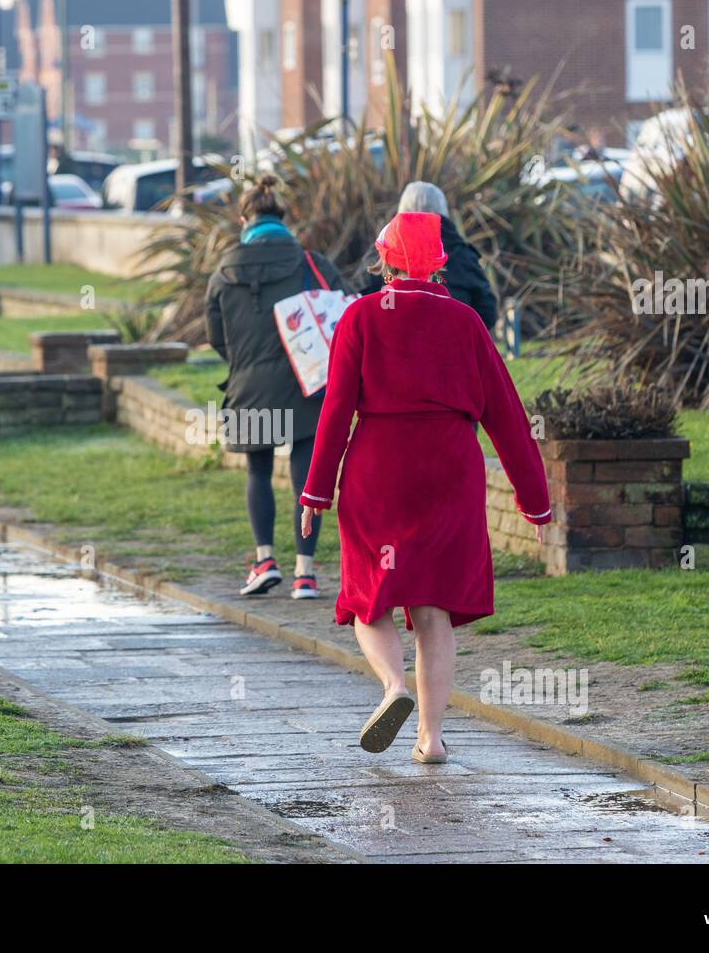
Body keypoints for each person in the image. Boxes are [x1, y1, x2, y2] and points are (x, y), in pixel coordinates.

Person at [297, 212, 551, 763]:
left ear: (383, 261)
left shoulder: (361, 316)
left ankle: (394, 686)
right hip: (450, 472)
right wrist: (535, 502)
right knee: (433, 608)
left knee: (367, 598)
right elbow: (508, 417)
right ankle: (431, 739)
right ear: (440, 263)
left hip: (378, 470)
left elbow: (336, 410)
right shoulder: (466, 321)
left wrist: (315, 491)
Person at [205, 174, 348, 600]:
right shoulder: (310, 263)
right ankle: (306, 574)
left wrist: (242, 362)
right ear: (283, 218)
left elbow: (215, 336)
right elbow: (345, 313)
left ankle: (265, 560)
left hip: (249, 383)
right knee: (307, 477)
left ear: (243, 220)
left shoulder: (223, 271)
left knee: (259, 471)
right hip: (307, 383)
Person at [355, 182, 499, 330]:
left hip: (390, 338)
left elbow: (360, 297)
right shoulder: (464, 257)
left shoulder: (383, 251)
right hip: (450, 339)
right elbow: (487, 312)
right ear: (443, 211)